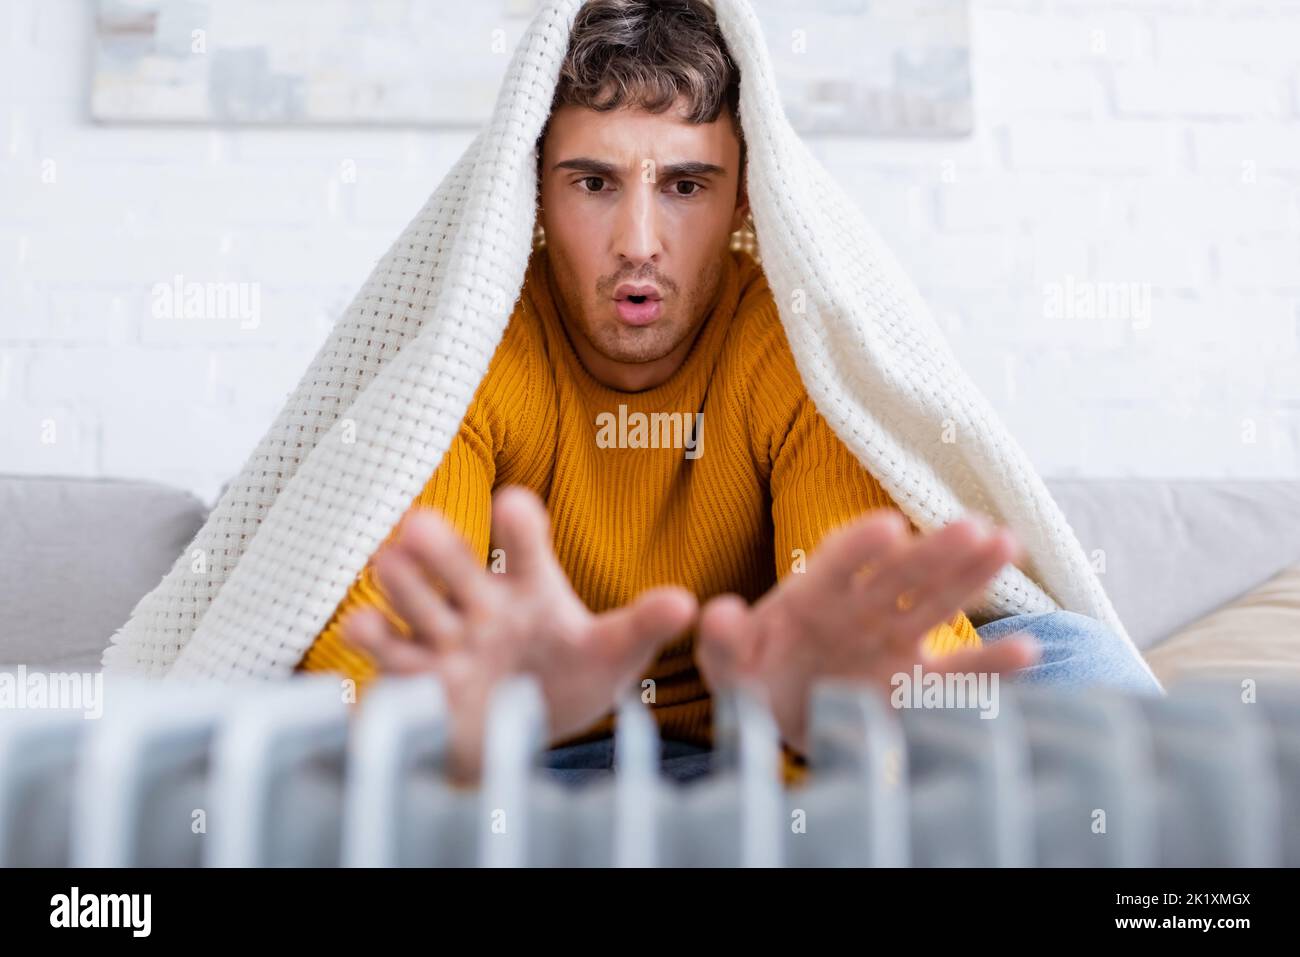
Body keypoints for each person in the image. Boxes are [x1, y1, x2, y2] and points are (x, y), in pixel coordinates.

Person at [295, 0, 1160, 787]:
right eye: (593, 183)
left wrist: (828, 720)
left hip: (764, 738)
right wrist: (466, 727)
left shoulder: (789, 337)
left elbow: (872, 628)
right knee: (276, 732)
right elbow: (370, 655)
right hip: (541, 749)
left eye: (684, 185)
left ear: (744, 195)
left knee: (1080, 662)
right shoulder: (472, 343)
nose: (639, 242)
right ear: (532, 193)